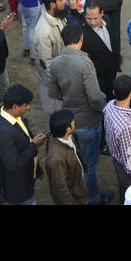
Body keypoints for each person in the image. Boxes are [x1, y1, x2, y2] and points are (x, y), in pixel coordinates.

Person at [46, 23, 110, 204]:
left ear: (62, 40)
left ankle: (81, 195)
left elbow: (53, 93)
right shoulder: (85, 63)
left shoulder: (56, 62)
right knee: (89, 164)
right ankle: (93, 198)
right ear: (81, 39)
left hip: (69, 122)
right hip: (89, 121)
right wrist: (104, 106)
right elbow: (95, 97)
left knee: (75, 163)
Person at [0, 84, 46, 205]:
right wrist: (34, 145)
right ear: (15, 106)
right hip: (18, 188)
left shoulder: (16, 116)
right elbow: (12, 164)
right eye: (26, 105)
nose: (28, 107)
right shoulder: (3, 132)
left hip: (26, 178)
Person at [43, 108, 88, 205]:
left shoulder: (68, 136)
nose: (75, 123)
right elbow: (60, 189)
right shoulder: (56, 158)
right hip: (74, 199)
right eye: (73, 122)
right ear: (68, 129)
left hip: (78, 187)